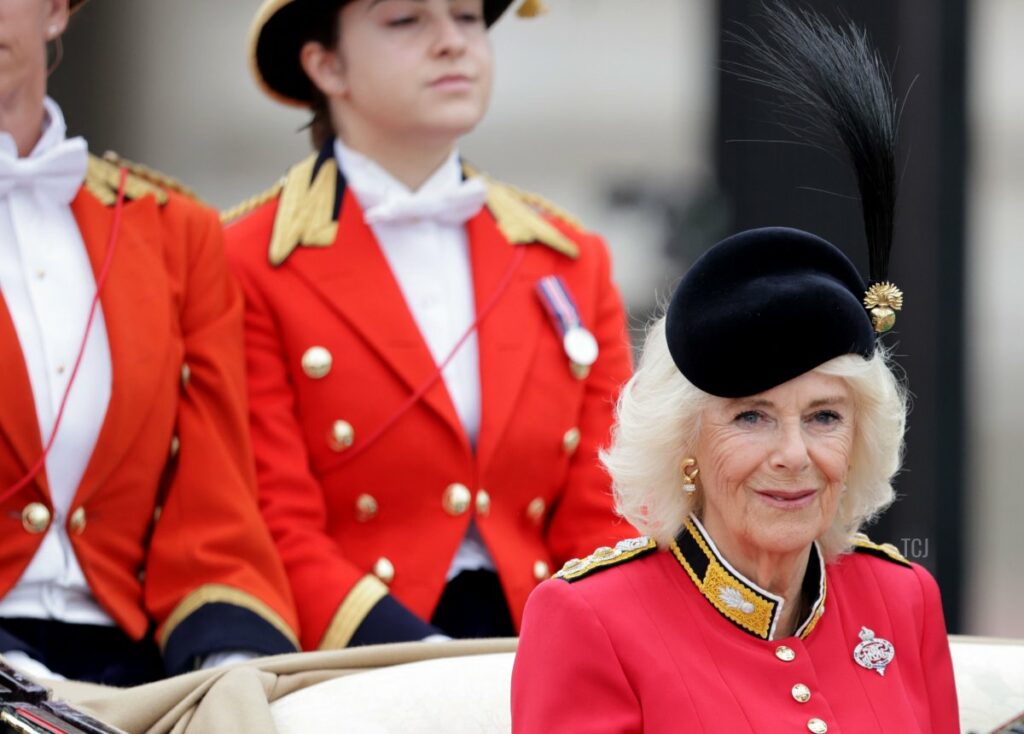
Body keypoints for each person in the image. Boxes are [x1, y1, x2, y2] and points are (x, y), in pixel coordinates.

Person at [511, 6, 960, 732]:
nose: (794, 454)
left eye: (824, 416)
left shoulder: (903, 599)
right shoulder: (590, 618)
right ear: (685, 442)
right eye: (751, 416)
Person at [223, 0, 634, 650]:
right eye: (405, 20)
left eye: (467, 17)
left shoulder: (570, 258)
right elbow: (270, 517)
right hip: (352, 647)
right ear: (327, 66)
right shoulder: (244, 262)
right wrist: (422, 662)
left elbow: (606, 503)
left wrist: (593, 651)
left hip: (543, 637)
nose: (452, 43)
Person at [0, 0, 298, 685]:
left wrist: (229, 666)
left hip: (134, 664)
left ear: (55, 11)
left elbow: (211, 500)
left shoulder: (174, 232)